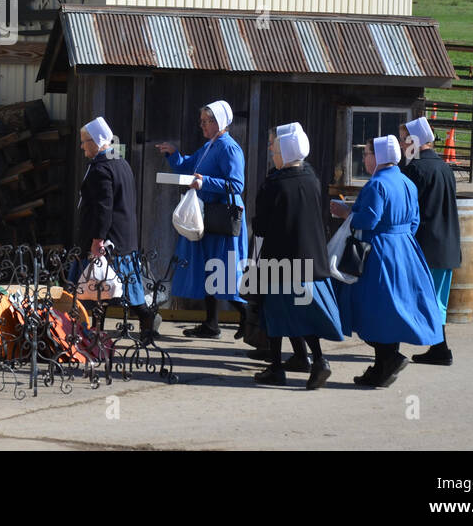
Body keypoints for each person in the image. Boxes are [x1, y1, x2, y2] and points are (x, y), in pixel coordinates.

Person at [333, 135, 443, 387]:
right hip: (405, 248)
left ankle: (388, 359)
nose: (365, 158)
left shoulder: (376, 185)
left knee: (373, 307)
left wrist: (346, 212)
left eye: (368, 153)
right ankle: (382, 366)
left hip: (379, 250)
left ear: (379, 157)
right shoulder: (406, 182)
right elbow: (414, 221)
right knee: (393, 309)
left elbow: (367, 221)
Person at [250, 123, 343, 390]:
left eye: (275, 150)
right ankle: (315, 361)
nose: (272, 154)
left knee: (276, 313)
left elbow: (262, 227)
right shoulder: (311, 177)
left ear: (285, 153)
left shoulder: (274, 185)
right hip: (311, 258)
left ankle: (280, 368)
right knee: (303, 313)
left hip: (279, 259)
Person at [156, 100, 247, 338]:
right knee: (211, 270)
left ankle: (249, 316)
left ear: (221, 122)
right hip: (210, 216)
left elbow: (236, 184)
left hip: (223, 217)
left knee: (223, 271)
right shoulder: (210, 146)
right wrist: (174, 154)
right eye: (203, 121)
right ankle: (211, 324)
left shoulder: (228, 148)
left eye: (208, 121)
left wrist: (205, 181)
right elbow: (188, 167)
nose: (203, 125)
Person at [78, 117, 158, 342]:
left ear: (96, 141)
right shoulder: (120, 163)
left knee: (99, 287)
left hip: (110, 241)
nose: (82, 146)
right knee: (117, 288)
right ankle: (140, 322)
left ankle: (142, 320)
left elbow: (104, 208)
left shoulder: (102, 169)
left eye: (85, 141)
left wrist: (97, 240)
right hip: (124, 239)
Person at [400, 116, 462, 366]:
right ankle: (438, 347)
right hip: (448, 243)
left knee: (425, 299)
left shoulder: (415, 169)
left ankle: (440, 349)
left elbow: (408, 209)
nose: (403, 145)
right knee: (437, 300)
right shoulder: (444, 167)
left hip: (427, 245)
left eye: (405, 140)